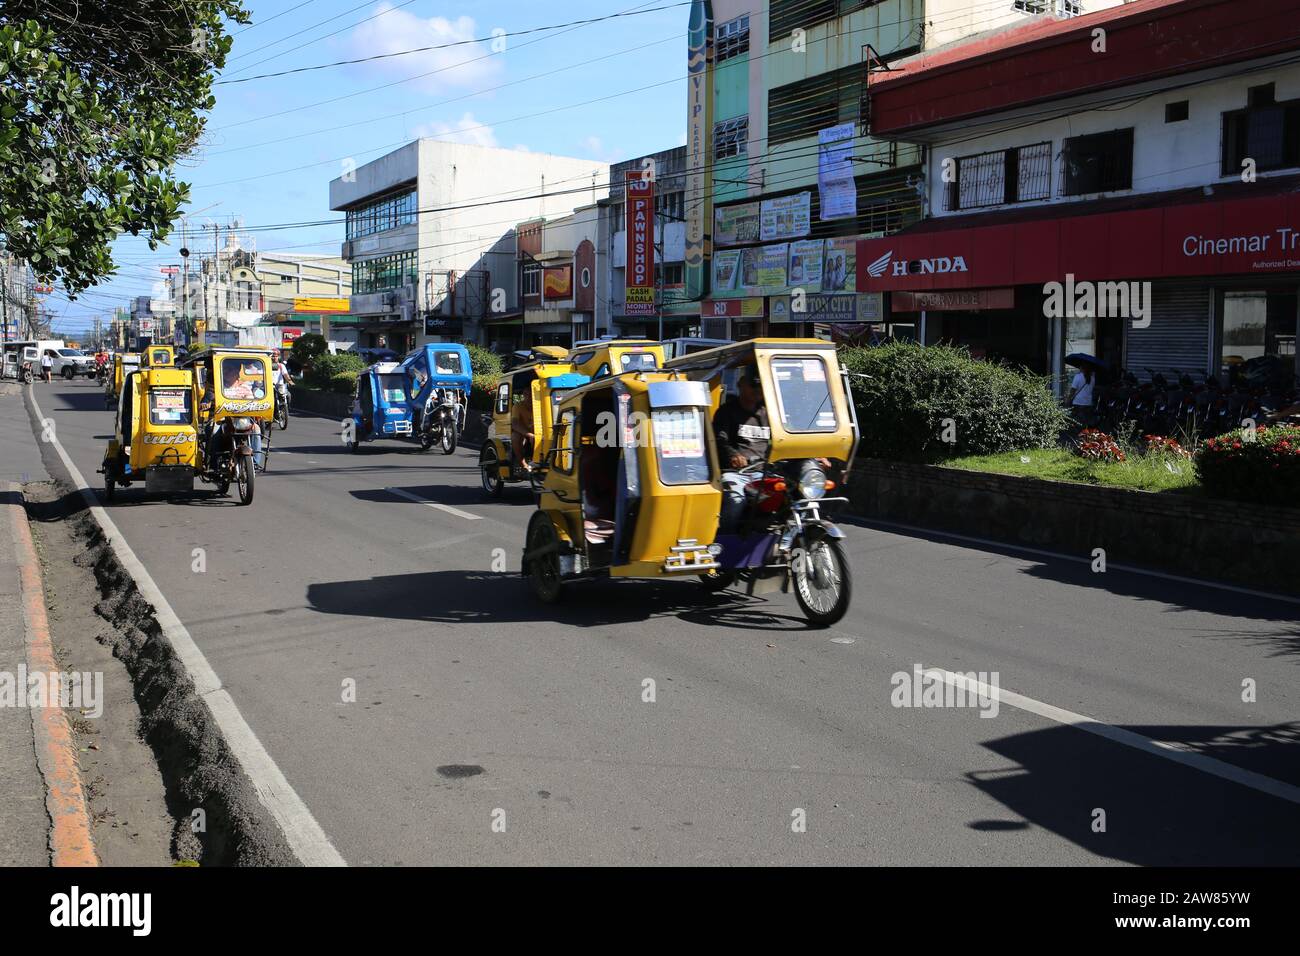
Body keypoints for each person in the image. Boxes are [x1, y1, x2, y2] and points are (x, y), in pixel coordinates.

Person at [712, 368, 771, 532]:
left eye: (760, 387)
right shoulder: (726, 412)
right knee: (735, 500)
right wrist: (734, 455)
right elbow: (719, 439)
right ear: (740, 385)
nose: (757, 391)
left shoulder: (769, 413)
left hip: (764, 473)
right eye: (753, 386)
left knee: (789, 498)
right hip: (735, 473)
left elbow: (788, 435)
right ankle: (725, 540)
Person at [510, 390, 535, 471]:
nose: (529, 397)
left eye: (531, 394)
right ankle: (523, 464)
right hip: (523, 433)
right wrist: (529, 434)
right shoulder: (518, 406)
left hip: (538, 432)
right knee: (515, 437)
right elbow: (515, 423)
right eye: (527, 394)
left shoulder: (541, 405)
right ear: (524, 395)